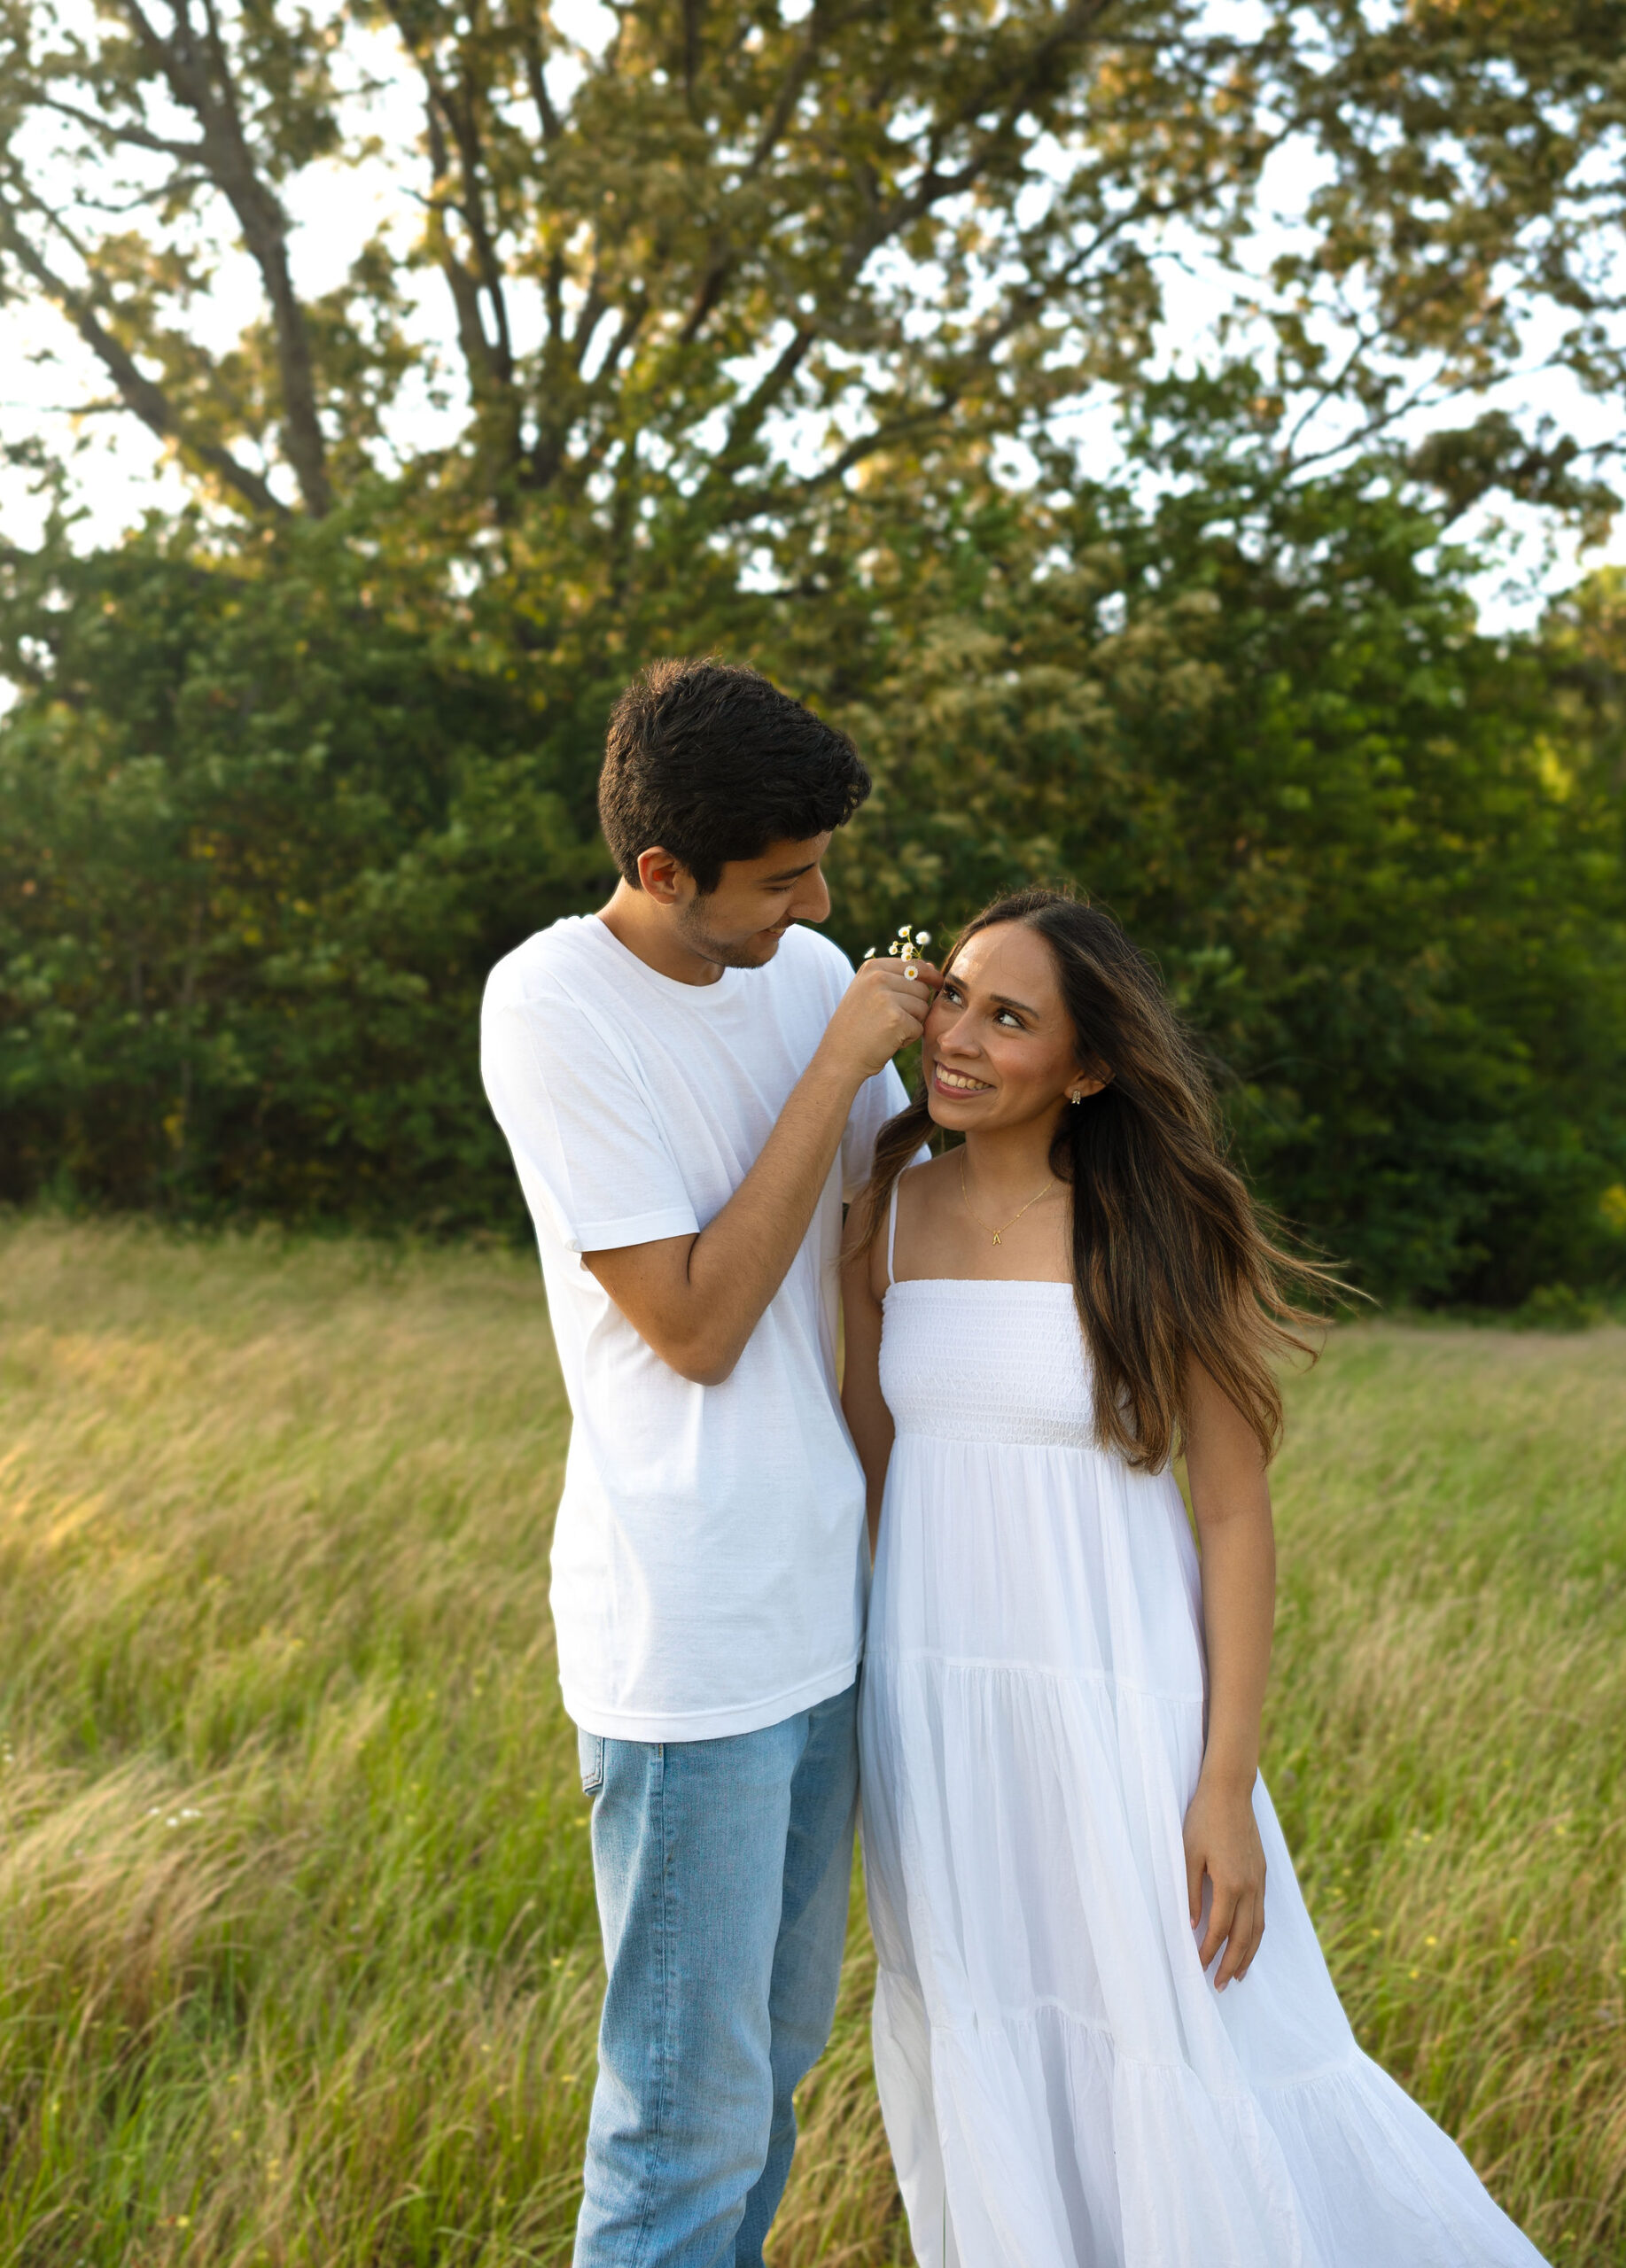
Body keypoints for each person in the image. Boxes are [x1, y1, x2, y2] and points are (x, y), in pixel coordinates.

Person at [841, 884, 1549, 2268]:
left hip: (1120, 1707)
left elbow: (1234, 1518)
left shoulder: (1154, 1230)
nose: (960, 1040)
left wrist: (1221, 1785)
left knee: (1192, 2037)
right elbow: (880, 1481)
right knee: (989, 2032)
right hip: (939, 1718)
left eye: (1009, 1018)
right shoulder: (883, 1211)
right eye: (956, 999)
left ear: (1088, 1067)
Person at [480, 658, 938, 2268]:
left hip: (830, 1605)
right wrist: (835, 1063)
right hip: (691, 1646)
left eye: (821, 866)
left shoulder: (807, 965)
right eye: (785, 876)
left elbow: (886, 1234)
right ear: (662, 870)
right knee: (680, 2121)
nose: (821, 904)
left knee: (768, 2083)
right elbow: (692, 1321)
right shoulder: (548, 1004)